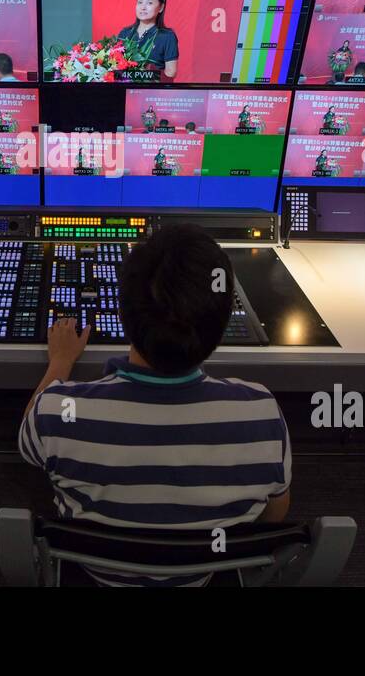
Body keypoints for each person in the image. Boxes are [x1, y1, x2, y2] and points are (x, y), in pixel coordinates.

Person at [19, 224, 292, 586]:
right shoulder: (263, 417)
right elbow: (274, 513)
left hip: (91, 572)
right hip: (202, 576)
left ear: (123, 315)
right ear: (223, 324)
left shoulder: (55, 413)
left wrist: (59, 364)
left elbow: (26, 444)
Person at [117, 0, 179, 78]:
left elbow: (171, 73)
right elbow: (114, 65)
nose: (143, 7)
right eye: (140, 2)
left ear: (161, 8)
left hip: (152, 91)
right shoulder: (125, 33)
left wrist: (149, 75)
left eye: (149, 3)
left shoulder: (167, 36)